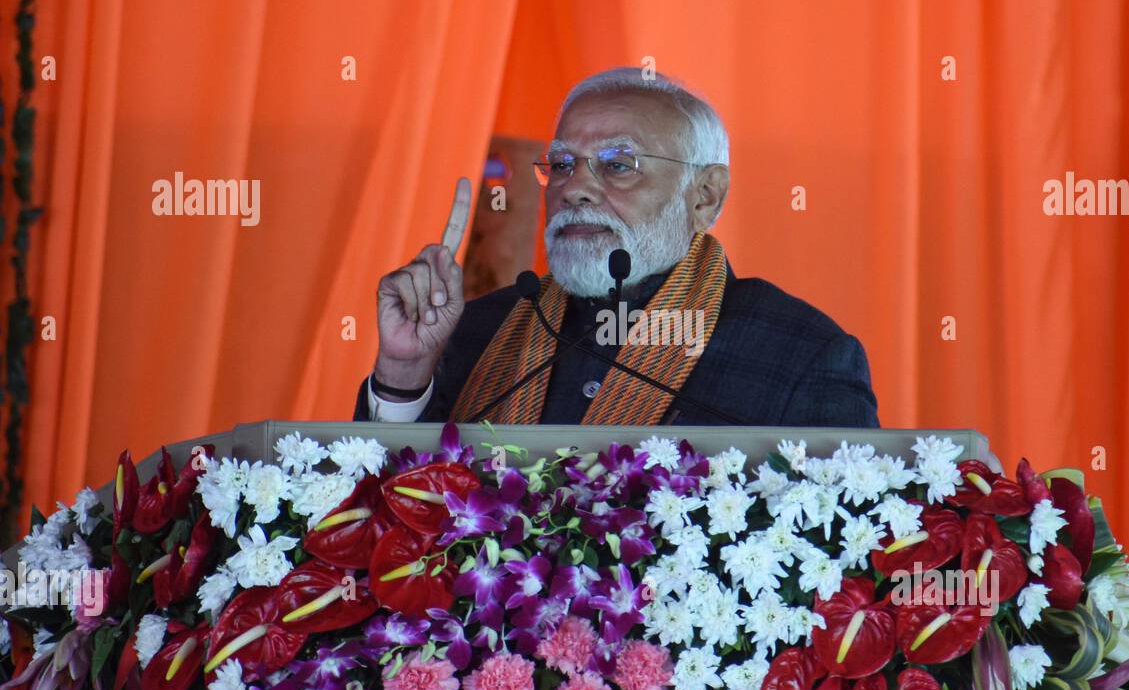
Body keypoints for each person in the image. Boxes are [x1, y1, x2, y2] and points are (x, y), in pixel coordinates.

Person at [353, 67, 879, 427]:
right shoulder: (474, 331)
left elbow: (841, 571)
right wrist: (403, 372)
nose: (574, 188)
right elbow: (384, 526)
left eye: (618, 165)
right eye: (561, 164)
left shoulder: (800, 353)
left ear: (705, 196)